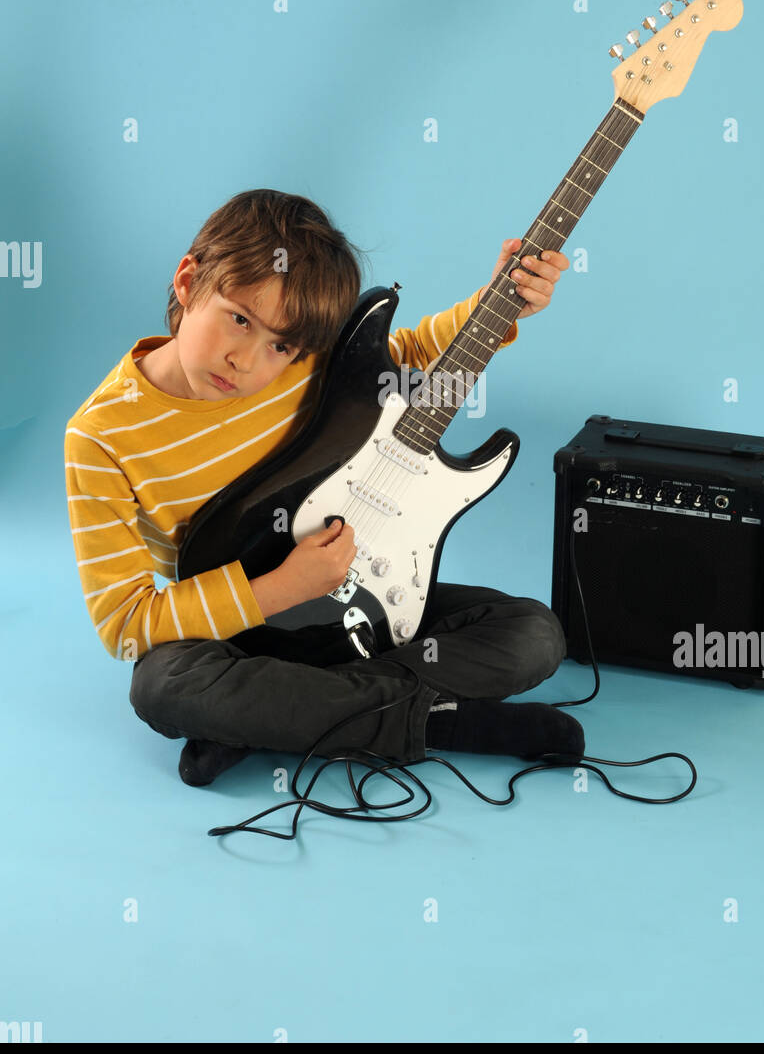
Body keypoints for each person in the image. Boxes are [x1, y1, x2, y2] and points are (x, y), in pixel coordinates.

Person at [64, 190, 584, 786]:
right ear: (188, 280)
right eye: (239, 319)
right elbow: (129, 624)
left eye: (280, 345)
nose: (246, 360)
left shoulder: (299, 361)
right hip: (239, 639)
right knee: (165, 685)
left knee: (535, 634)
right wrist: (283, 586)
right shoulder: (100, 436)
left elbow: (406, 359)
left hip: (367, 608)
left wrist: (501, 303)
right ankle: (438, 723)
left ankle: (275, 718)